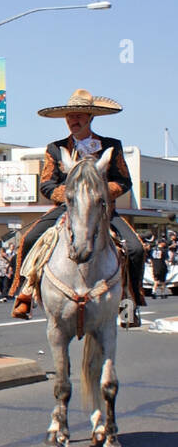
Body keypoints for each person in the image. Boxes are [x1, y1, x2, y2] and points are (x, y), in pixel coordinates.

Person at [10, 89, 145, 326]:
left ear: (91, 118)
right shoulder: (55, 148)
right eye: (70, 116)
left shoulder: (111, 146)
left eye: (80, 116)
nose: (74, 120)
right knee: (28, 239)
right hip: (66, 208)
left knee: (135, 248)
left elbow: (124, 181)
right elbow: (47, 184)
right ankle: (26, 292)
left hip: (102, 210)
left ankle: (129, 304)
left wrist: (98, 193)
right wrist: (72, 196)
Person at [150, 233, 168, 298]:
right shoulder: (163, 250)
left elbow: (151, 258)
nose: (165, 244)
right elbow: (166, 259)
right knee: (163, 280)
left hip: (155, 266)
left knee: (156, 280)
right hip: (162, 265)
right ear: (161, 243)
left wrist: (152, 266)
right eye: (164, 243)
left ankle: (153, 291)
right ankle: (162, 293)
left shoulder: (153, 249)